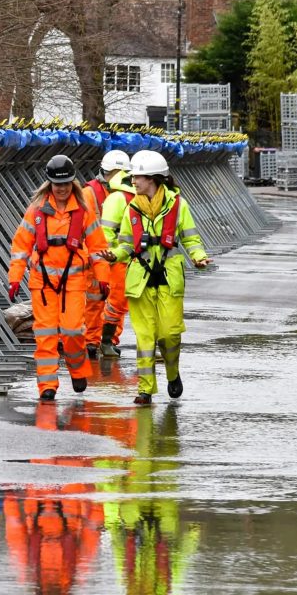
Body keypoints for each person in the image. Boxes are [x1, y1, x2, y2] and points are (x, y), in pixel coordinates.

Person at [8, 154, 112, 400]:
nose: (62, 189)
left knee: (73, 331)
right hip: (42, 284)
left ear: (72, 183)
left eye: (66, 184)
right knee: (45, 336)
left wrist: (103, 277)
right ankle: (47, 386)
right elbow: (21, 245)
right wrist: (15, 277)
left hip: (74, 283)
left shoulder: (83, 212)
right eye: (57, 184)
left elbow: (98, 248)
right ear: (50, 184)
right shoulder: (36, 211)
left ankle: (77, 371)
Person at [112, 150, 210, 405]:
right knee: (145, 338)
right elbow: (125, 245)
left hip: (169, 278)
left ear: (154, 178)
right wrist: (113, 256)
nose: (133, 181)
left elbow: (190, 238)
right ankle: (145, 390)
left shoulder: (179, 206)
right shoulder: (131, 208)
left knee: (169, 335)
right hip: (140, 280)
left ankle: (172, 373)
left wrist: (198, 256)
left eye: (138, 177)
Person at [83, 150, 131, 359]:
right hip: (94, 255)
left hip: (117, 256)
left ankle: (108, 340)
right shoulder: (89, 193)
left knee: (117, 302)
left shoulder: (125, 194)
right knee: (94, 299)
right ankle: (90, 341)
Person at [96, 157, 139, 360]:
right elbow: (107, 233)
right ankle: (107, 342)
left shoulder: (121, 196)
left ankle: (110, 342)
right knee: (117, 303)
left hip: (130, 259)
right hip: (124, 259)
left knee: (132, 303)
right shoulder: (125, 196)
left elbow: (106, 232)